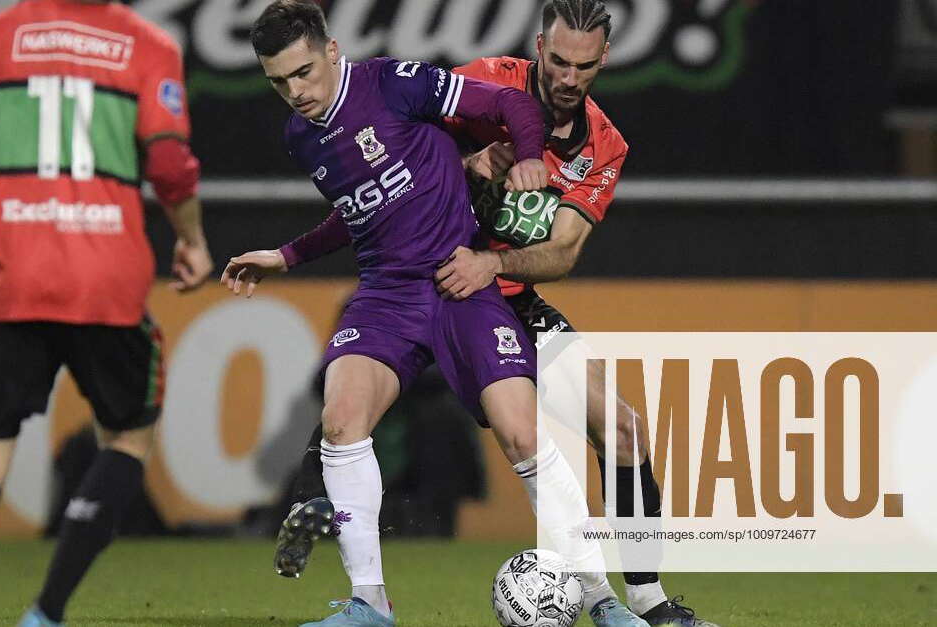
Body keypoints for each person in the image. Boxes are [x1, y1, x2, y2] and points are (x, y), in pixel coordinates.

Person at [261, 2, 719, 625]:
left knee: (620, 427)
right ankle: (321, 500)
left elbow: (560, 252)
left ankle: (645, 602)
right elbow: (395, 162)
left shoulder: (604, 145)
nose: (567, 77)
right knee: (349, 404)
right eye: (557, 60)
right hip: (422, 275)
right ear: (538, 47)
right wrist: (468, 162)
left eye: (583, 66)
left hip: (503, 292)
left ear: (604, 60)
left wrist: (494, 267)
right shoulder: (489, 79)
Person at [0, 0, 212, 624]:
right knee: (128, 439)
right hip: (107, 280)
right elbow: (169, 165)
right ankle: (46, 613)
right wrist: (192, 239)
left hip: (13, 273)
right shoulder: (147, 43)